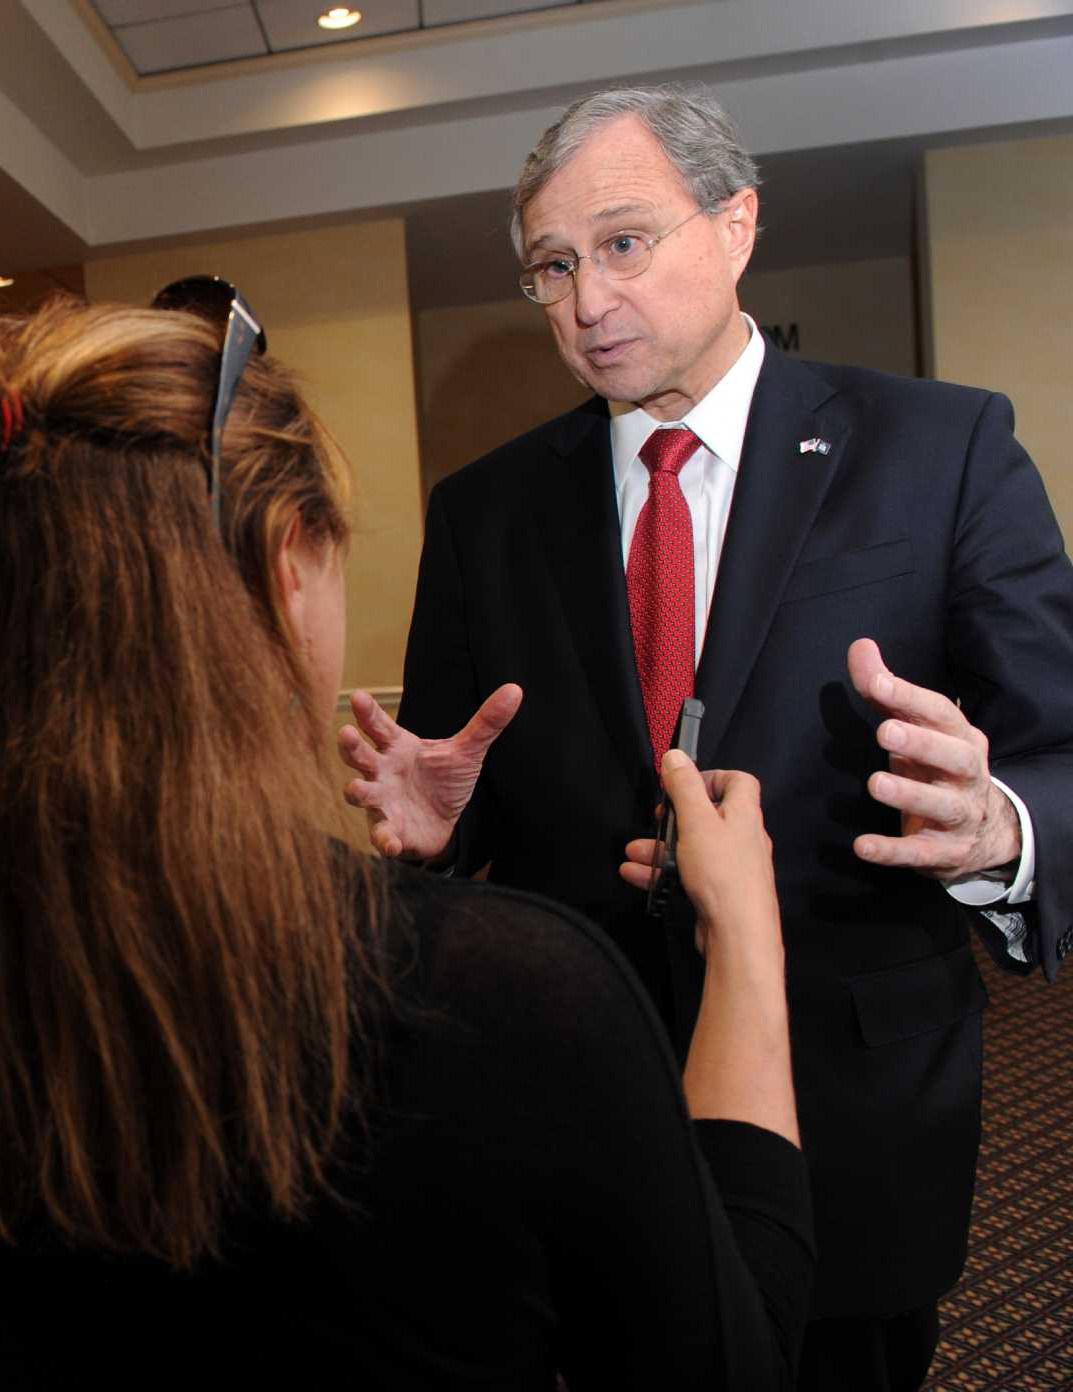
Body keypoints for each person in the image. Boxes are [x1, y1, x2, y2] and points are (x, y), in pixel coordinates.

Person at [0, 296, 816, 1386]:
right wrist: (743, 939)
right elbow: (729, 1364)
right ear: (288, 565)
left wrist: (407, 894)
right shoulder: (512, 993)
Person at [343, 84, 1073, 1391]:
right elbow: (468, 801)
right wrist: (433, 846)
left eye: (623, 244)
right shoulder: (483, 513)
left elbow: (1060, 755)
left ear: (736, 226)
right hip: (583, 1110)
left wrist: (999, 827)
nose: (584, 301)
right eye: (550, 267)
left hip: (854, 1109)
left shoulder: (940, 449)